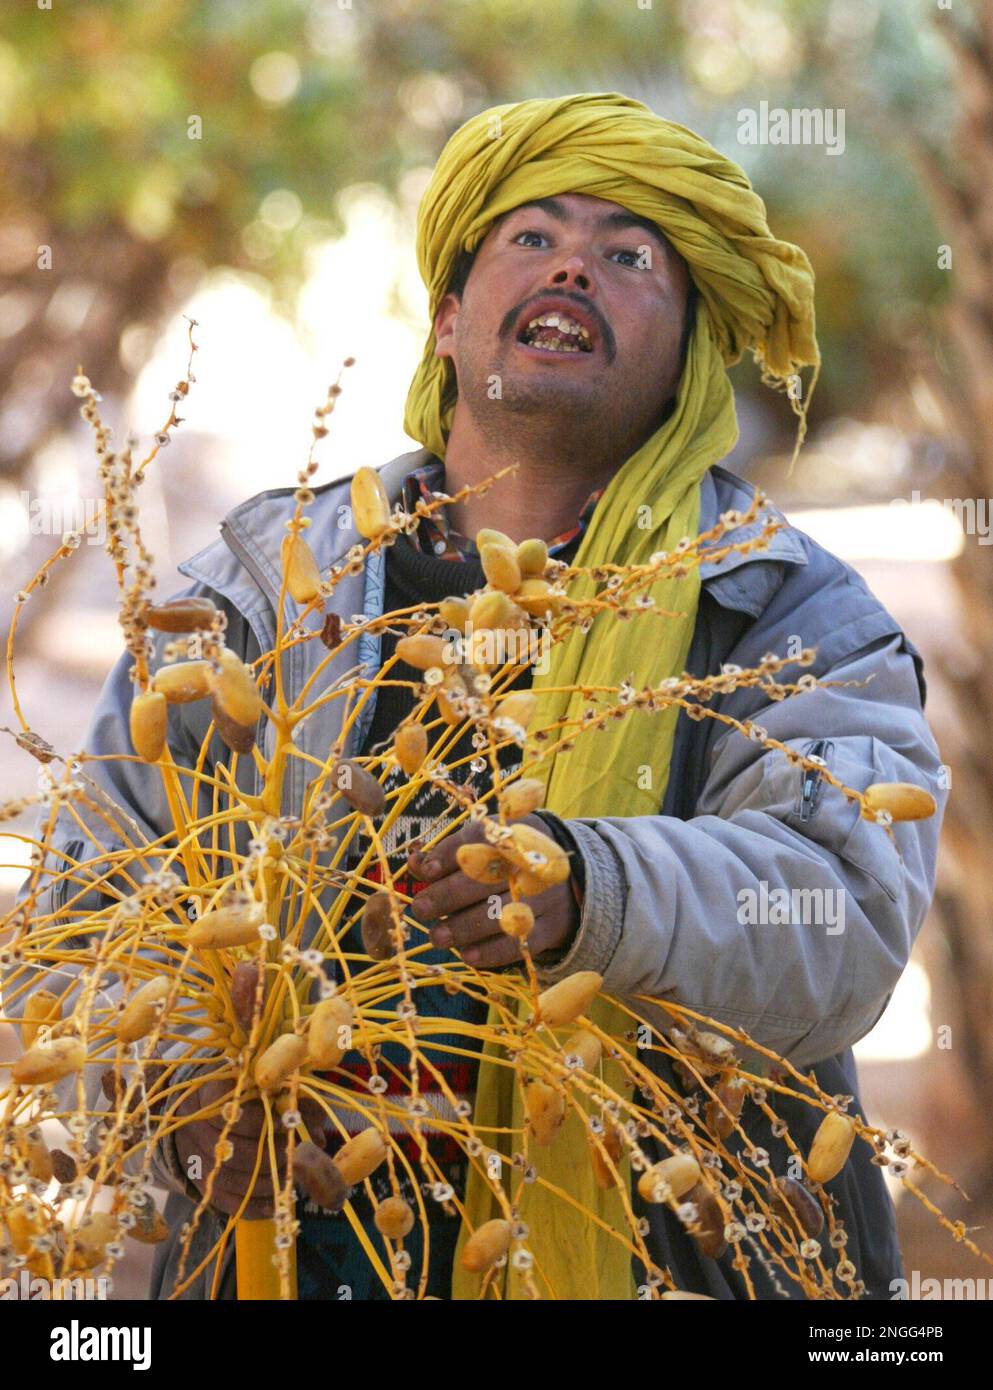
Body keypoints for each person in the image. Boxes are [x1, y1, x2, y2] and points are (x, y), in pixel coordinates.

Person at [10, 93, 944, 1301]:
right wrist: (186, 1092)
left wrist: (590, 886)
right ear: (450, 320)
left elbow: (846, 920)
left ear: (690, 355)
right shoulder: (261, 589)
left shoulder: (785, 614)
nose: (573, 267)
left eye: (628, 256)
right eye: (533, 238)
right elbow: (92, 907)